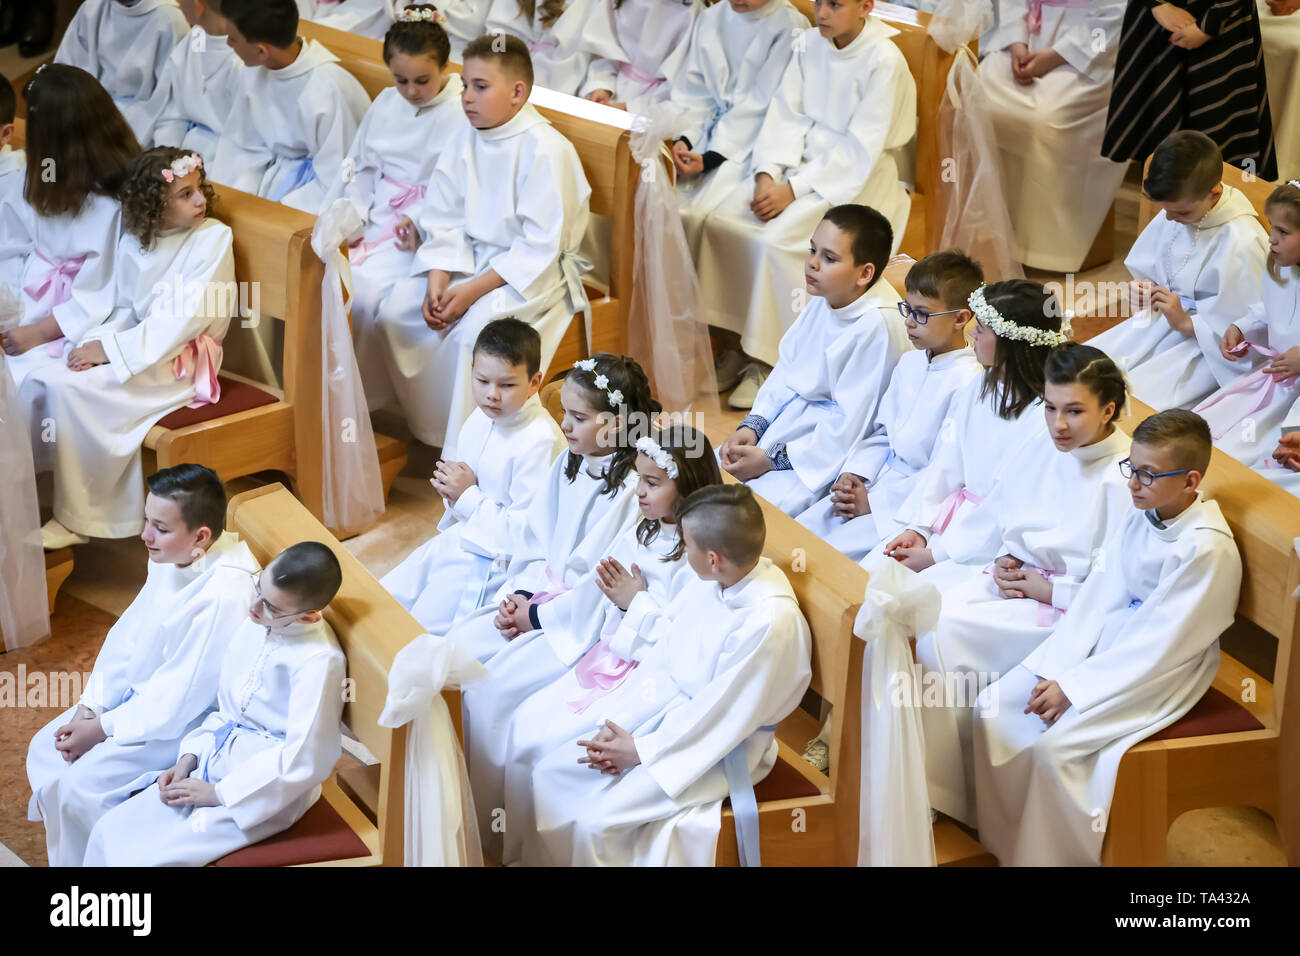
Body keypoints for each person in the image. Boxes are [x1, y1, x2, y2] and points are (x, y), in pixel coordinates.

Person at [973, 409, 1241, 866]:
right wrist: (1057, 669)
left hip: (1160, 671)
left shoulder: (1206, 548)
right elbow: (1099, 595)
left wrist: (1076, 689)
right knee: (991, 709)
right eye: (1131, 468)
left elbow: (1160, 644)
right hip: (1101, 646)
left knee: (1056, 753)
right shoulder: (1145, 512)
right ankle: (1005, 846)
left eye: (1148, 475)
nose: (1133, 483)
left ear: (1191, 480)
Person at [908, 341, 1132, 827]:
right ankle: (916, 774)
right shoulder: (1043, 442)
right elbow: (1000, 510)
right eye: (1051, 408)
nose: (1059, 425)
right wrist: (1003, 557)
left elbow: (1115, 587)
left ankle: (945, 792)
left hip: (1061, 611)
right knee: (916, 610)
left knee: (944, 635)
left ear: (1108, 410)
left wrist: (1045, 589)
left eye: (1075, 411)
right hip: (1011, 582)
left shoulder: (1121, 480)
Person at [527, 484, 812, 866]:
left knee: (597, 823)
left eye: (685, 542)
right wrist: (625, 724)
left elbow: (723, 716)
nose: (680, 548)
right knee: (552, 774)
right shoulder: (720, 581)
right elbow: (670, 646)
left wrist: (641, 750)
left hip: (716, 749)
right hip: (667, 713)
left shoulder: (769, 623)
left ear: (713, 559)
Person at [474, 426, 722, 863]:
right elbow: (597, 590)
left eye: (651, 482)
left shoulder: (698, 554)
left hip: (644, 681)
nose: (638, 491)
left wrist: (635, 603)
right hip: (604, 656)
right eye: (639, 479)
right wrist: (546, 612)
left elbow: (682, 646)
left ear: (685, 485)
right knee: (523, 723)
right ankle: (508, 847)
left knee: (542, 746)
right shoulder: (645, 530)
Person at [25, 464, 259, 866]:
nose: (144, 535)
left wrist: (101, 730)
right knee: (46, 748)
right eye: (146, 521)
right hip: (145, 700)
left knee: (81, 787)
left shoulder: (223, 593)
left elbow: (181, 700)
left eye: (160, 527)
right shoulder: (172, 554)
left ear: (201, 535)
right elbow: (128, 635)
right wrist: (91, 706)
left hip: (182, 721)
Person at [368, 33, 591, 448]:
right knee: (398, 310)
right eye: (465, 84)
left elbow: (539, 247)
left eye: (480, 87)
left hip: (525, 280)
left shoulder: (545, 149)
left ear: (517, 92)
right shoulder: (465, 137)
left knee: (478, 336)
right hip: (467, 261)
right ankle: (419, 430)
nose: (466, 97)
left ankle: (464, 451)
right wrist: (438, 277)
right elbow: (443, 215)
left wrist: (470, 290)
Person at [696, 0, 917, 403]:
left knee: (774, 243)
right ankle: (732, 344)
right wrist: (768, 174)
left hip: (852, 181)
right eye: (818, 2)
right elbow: (785, 115)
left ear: (866, 6)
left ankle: (766, 362)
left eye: (836, 4)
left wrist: (793, 190)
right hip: (796, 167)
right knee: (720, 223)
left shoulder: (883, 59)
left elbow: (861, 147)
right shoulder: (808, 45)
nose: (822, 13)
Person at [21, 147, 235, 550]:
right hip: (141, 346)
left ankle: (83, 517)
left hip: (179, 362)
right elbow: (122, 305)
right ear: (154, 204)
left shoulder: (213, 238)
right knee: (48, 376)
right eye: (184, 195)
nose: (200, 200)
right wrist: (95, 342)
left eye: (198, 189)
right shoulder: (139, 236)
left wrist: (114, 352)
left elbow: (183, 319)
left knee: (78, 392)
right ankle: (45, 493)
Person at [83, 542, 347, 866]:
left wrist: (218, 794)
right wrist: (188, 758)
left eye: (273, 608)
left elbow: (305, 757)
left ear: (308, 616)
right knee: (108, 832)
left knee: (144, 859)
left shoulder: (319, 661)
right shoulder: (258, 622)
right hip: (213, 758)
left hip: (260, 791)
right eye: (259, 589)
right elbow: (227, 711)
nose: (255, 608)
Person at [442, 352, 653, 662]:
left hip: (570, 623)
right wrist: (523, 596)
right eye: (565, 412)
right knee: (456, 643)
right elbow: (535, 540)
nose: (564, 425)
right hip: (537, 595)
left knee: (485, 678)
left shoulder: (630, 492)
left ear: (615, 423)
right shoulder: (570, 460)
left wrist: (538, 616)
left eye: (578, 418)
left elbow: (598, 586)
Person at [716, 205, 908, 513]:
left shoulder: (878, 325)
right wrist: (752, 427)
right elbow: (787, 369)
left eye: (829, 258)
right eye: (812, 250)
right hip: (788, 423)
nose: (813, 264)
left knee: (747, 512)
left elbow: (852, 423)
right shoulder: (831, 294)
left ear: (865, 273)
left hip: (824, 451)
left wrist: (769, 459)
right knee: (706, 477)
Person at [381, 318, 564, 636]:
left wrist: (465, 496)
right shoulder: (480, 417)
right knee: (383, 600)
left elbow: (528, 537)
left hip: (491, 562)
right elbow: (463, 490)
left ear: (535, 381)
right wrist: (451, 490)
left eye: (507, 385)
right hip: (461, 536)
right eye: (482, 380)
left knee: (415, 632)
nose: (492, 395)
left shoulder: (540, 441)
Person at [796, 250, 984, 560]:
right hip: (876, 480)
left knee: (826, 557)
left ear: (961, 318)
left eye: (921, 314)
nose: (909, 322)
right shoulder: (909, 362)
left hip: (906, 505)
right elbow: (882, 432)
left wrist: (874, 505)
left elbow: (943, 471)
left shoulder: (967, 381)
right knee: (801, 531)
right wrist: (855, 475)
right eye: (907, 309)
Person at [1089, 130, 1269, 410]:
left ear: (1215, 193)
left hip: (1204, 351)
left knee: (1133, 400)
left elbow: (1257, 329)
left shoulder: (1242, 241)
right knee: (1090, 374)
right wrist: (1144, 291)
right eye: (1165, 210)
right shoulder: (1179, 207)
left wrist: (1187, 323)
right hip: (1159, 324)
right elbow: (1152, 267)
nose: (1170, 218)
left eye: (1181, 213)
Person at [331, 4, 469, 348]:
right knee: (330, 279)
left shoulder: (462, 112)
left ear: (445, 66)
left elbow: (459, 188)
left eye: (422, 80)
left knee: (363, 291)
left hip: (422, 226)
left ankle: (366, 391)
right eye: (400, 80)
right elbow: (362, 165)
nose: (410, 91)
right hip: (376, 212)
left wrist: (419, 221)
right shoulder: (387, 101)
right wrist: (353, 216)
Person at [0, 66, 138, 389]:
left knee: (33, 381)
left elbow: (99, 291)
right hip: (33, 304)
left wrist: (39, 331)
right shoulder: (41, 174)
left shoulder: (109, 200)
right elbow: (17, 246)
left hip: (78, 322)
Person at [977, 0, 1127, 272]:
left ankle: (1043, 246)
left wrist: (1056, 56)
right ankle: (990, 231)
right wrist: (1017, 43)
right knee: (979, 96)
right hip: (1027, 39)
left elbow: (1115, 14)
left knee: (1044, 120)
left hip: (1089, 55)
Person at [669, 0, 808, 255]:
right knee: (660, 200)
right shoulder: (713, 16)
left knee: (703, 217)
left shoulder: (789, 27)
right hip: (706, 135)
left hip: (752, 143)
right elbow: (696, 91)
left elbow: (763, 105)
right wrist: (685, 138)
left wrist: (709, 158)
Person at [209, 0, 371, 213]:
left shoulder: (326, 89)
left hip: (312, 189)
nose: (228, 44)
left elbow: (338, 175)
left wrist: (276, 209)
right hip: (271, 176)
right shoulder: (252, 71)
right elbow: (243, 145)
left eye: (233, 38)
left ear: (261, 50)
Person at [1103, 0, 1277, 181]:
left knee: (1222, 143)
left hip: (1225, 22)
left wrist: (1212, 21)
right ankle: (1164, 207)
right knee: (1159, 152)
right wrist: (1157, 5)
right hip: (1157, 20)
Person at [1193, 180, 1300, 465]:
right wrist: (1242, 326)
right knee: (1200, 432)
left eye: (1283, 232)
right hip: (1278, 381)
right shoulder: (1283, 268)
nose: (1270, 239)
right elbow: (1272, 308)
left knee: (1256, 458)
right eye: (1271, 227)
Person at [54, 0, 189, 141]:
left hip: (139, 123)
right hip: (87, 110)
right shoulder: (93, 7)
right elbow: (66, 71)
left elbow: (170, 101)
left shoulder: (168, 20)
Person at [135, 0, 242, 158]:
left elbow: (244, 140)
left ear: (198, 6)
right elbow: (172, 114)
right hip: (187, 149)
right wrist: (169, 159)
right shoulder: (197, 36)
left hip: (227, 157)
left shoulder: (245, 56)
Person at [580, 0, 700, 113]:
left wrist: (630, 107)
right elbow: (604, 49)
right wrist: (602, 86)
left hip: (654, 104)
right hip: (613, 87)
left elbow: (682, 80)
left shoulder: (691, 11)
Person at [483, 0, 620, 96]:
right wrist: (498, 65)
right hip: (514, 76)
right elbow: (498, 31)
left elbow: (603, 49)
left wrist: (599, 85)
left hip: (572, 83)